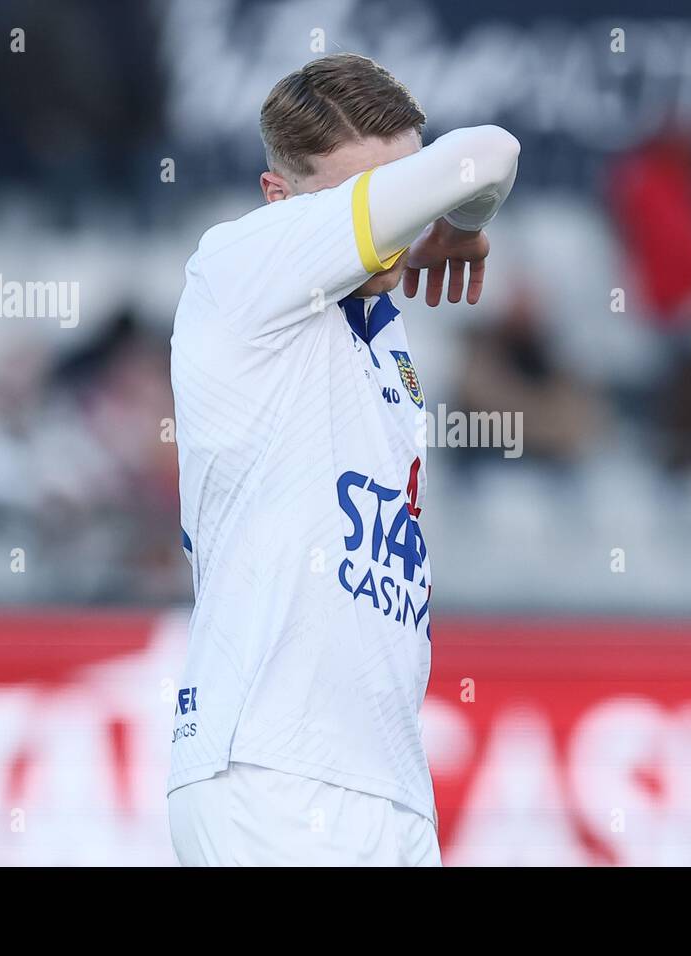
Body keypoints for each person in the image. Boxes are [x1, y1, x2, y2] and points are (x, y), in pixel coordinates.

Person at [166, 53, 519, 866]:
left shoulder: (381, 333)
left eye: (406, 188)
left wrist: (452, 219)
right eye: (371, 199)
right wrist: (456, 216)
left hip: (387, 785)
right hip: (272, 773)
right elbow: (492, 152)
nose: (396, 227)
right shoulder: (240, 267)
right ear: (279, 199)